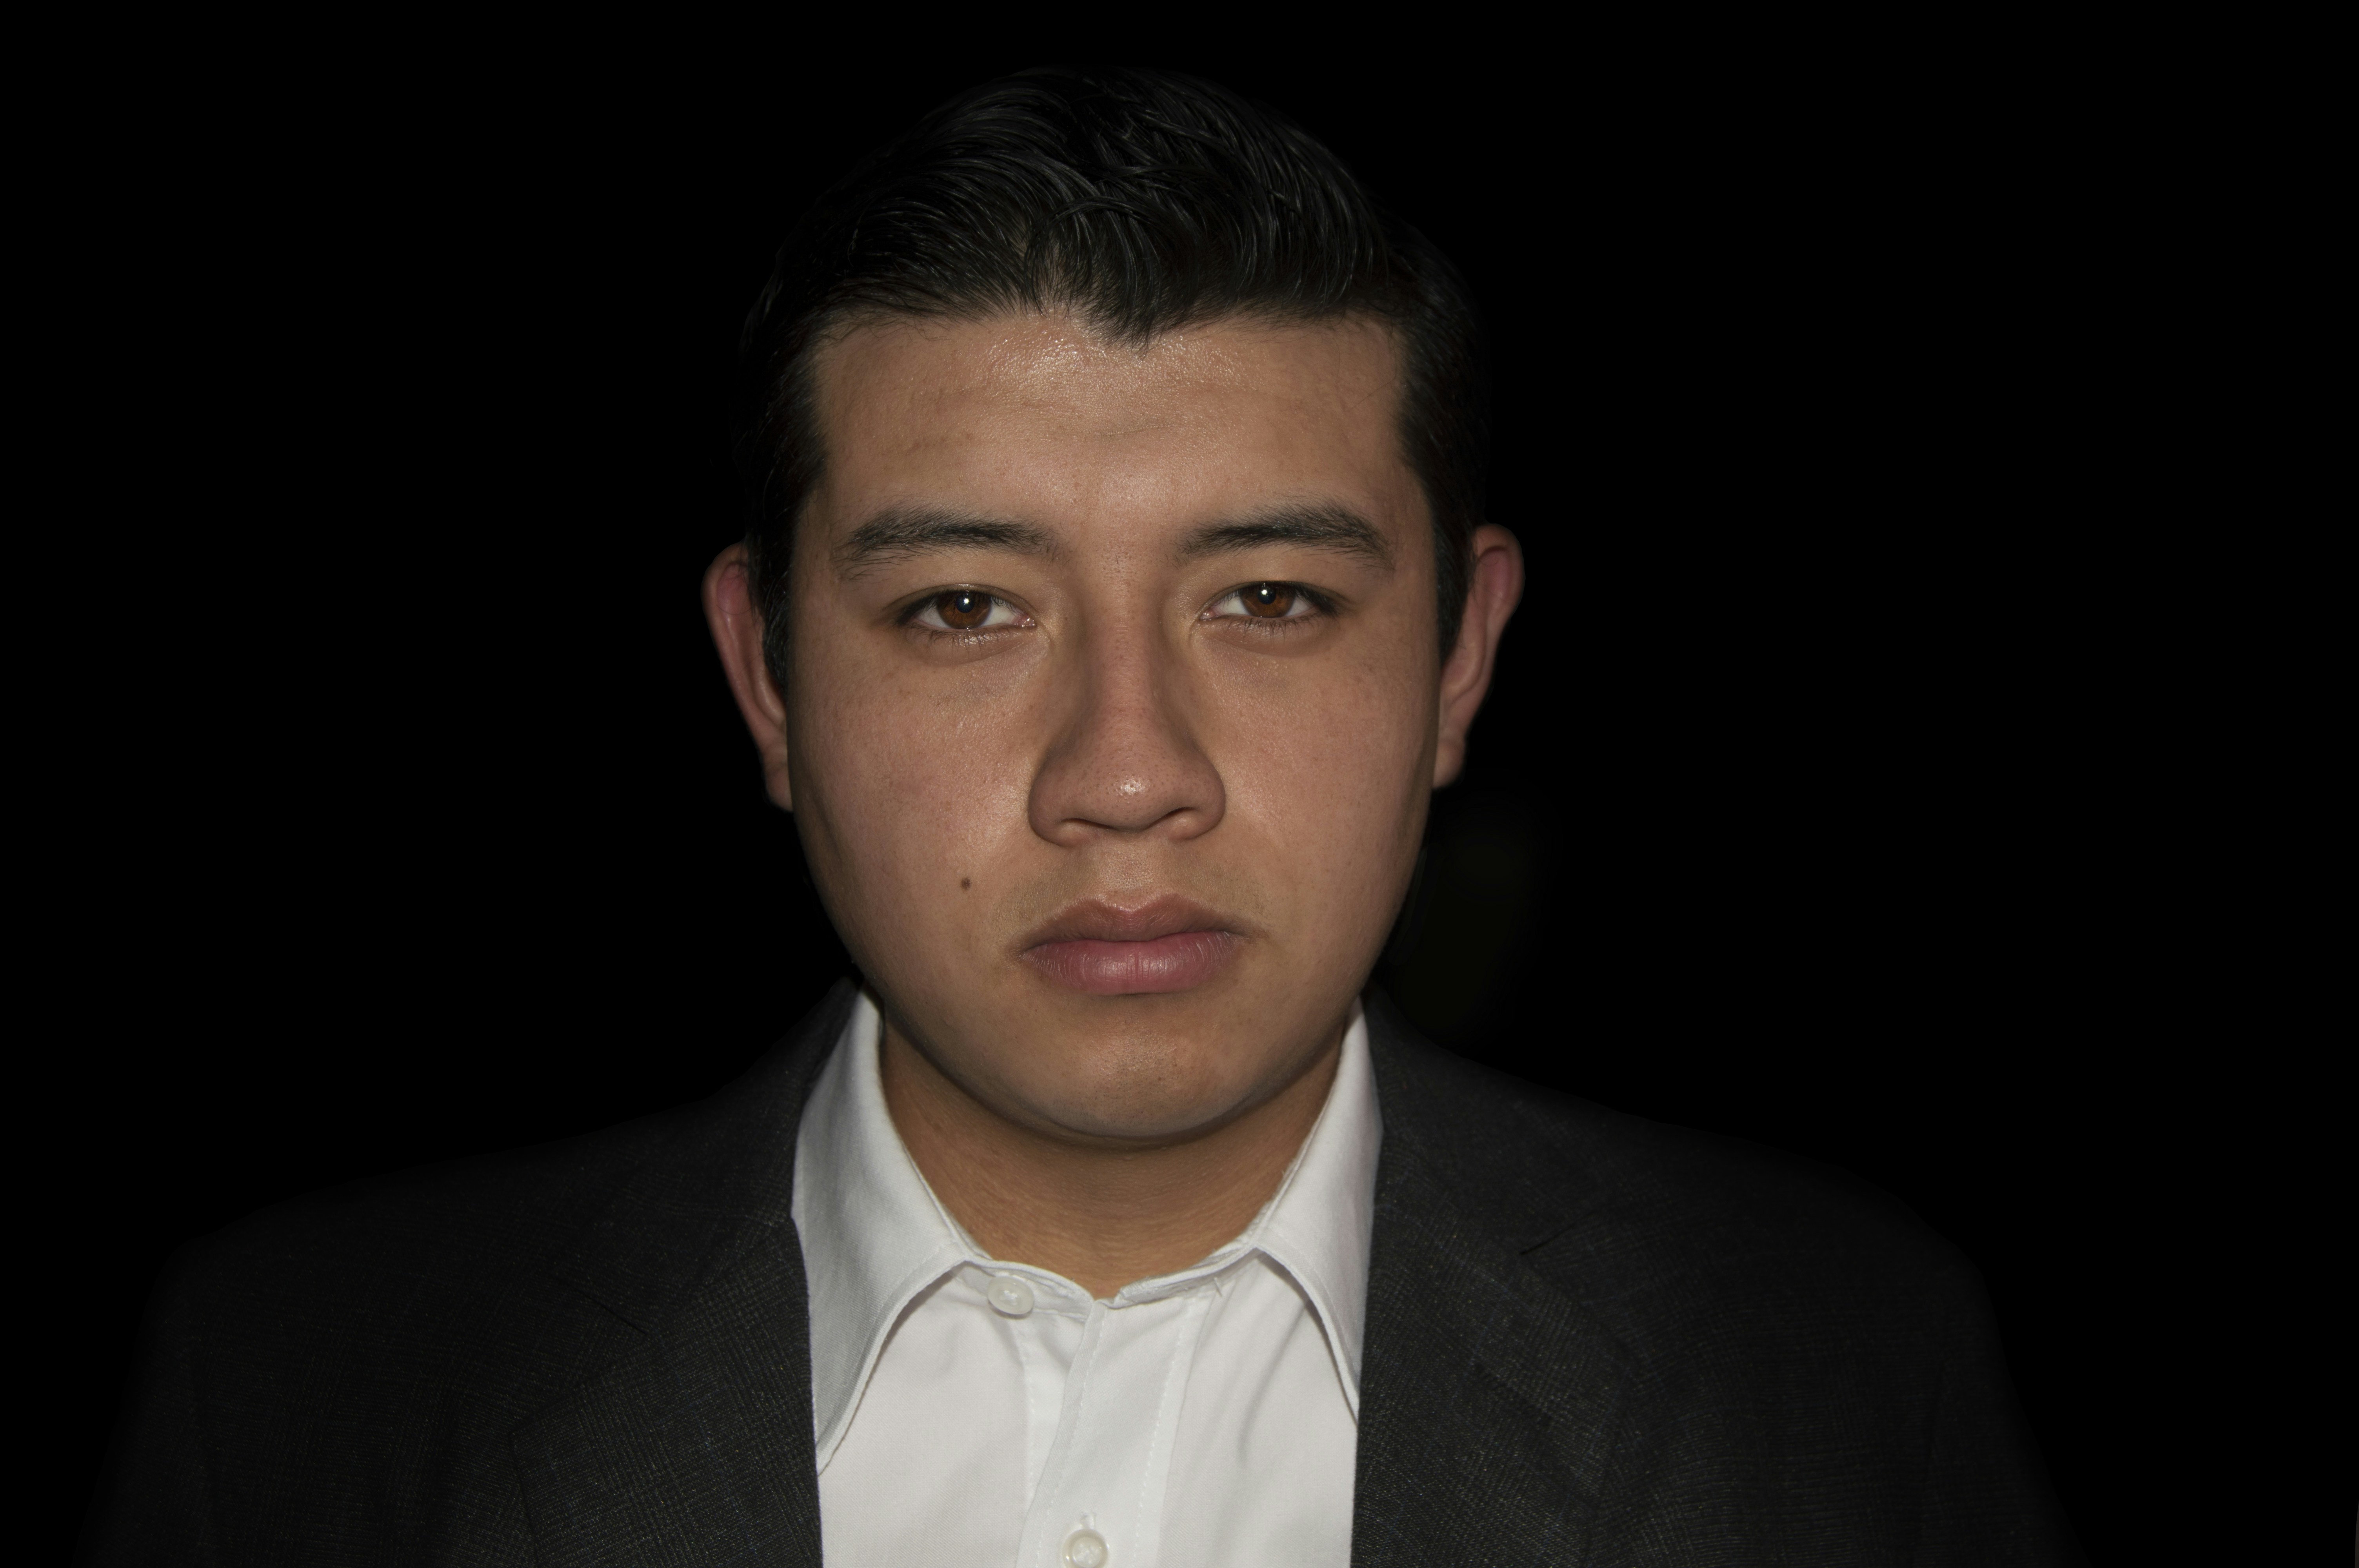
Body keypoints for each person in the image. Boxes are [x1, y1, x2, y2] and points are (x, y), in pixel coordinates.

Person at [84, 66, 2080, 1566]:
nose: (1126, 771)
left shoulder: (1836, 1365)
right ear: (766, 676)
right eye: (964, 606)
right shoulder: (299, 1401)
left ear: (1461, 660)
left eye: (1270, 601)